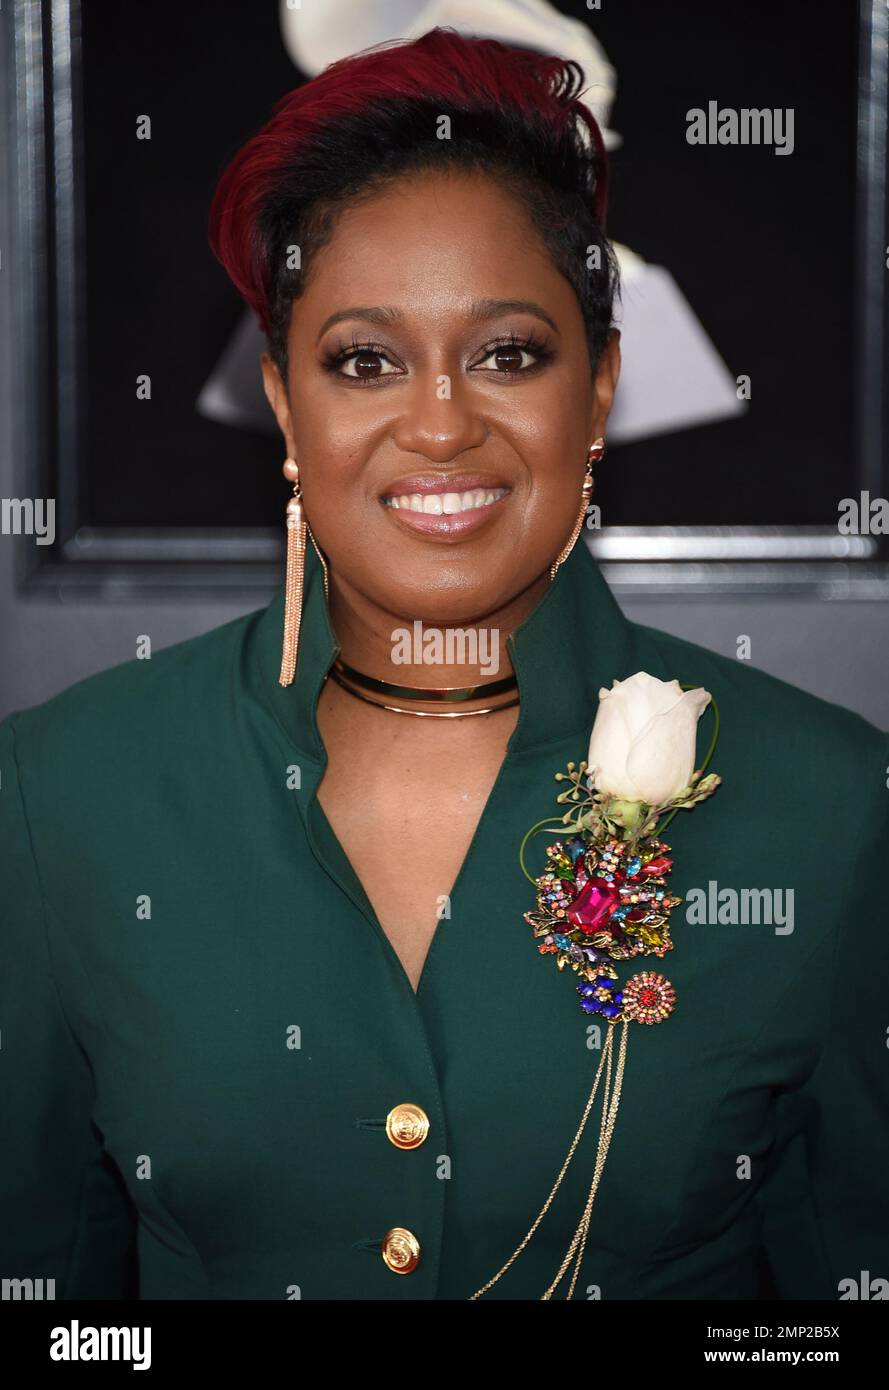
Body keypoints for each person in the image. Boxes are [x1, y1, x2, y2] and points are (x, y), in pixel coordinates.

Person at [1, 28, 886, 1302]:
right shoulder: (63, 792)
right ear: (284, 405)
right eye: (363, 360)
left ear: (599, 393)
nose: (437, 421)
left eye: (508, 354)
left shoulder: (832, 808)